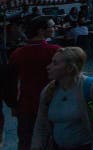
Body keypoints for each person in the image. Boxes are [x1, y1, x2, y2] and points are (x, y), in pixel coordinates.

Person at [31, 47, 93, 150]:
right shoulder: (48, 91)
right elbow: (41, 125)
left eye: (55, 63)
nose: (48, 67)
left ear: (70, 68)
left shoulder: (92, 87)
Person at [9, 16, 62, 150]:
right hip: (52, 104)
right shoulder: (56, 51)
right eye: (52, 26)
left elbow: (11, 84)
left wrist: (13, 106)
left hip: (26, 105)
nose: (55, 28)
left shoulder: (17, 53)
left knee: (26, 141)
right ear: (40, 31)